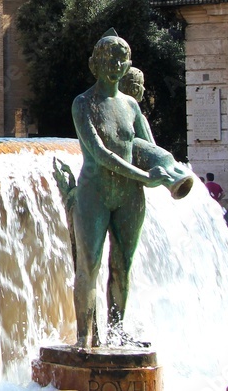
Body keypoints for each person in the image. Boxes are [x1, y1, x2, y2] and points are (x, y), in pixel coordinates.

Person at [71, 32, 167, 348]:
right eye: (108, 59)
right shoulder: (83, 103)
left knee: (123, 266)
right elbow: (101, 154)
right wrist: (145, 175)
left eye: (121, 59)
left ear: (128, 65)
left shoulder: (131, 106)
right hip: (94, 193)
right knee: (89, 265)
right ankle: (84, 336)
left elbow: (147, 147)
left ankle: (116, 331)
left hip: (130, 196)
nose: (115, 64)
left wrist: (165, 168)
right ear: (94, 64)